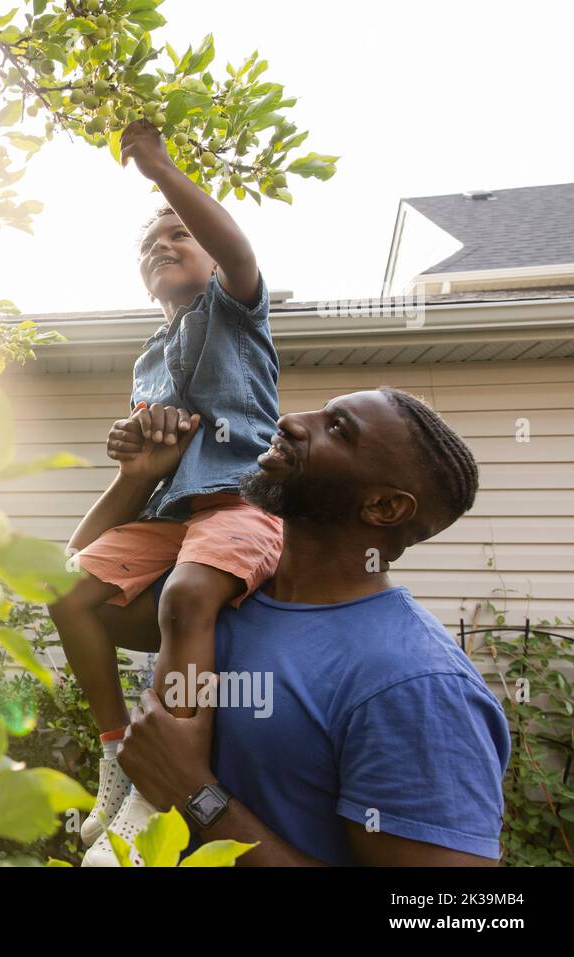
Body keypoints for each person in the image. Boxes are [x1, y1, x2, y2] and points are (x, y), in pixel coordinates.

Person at [105, 388, 511, 866]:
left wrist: (195, 793)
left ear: (383, 507)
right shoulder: (221, 596)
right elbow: (72, 596)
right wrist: (136, 479)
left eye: (337, 428)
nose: (291, 419)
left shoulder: (416, 683)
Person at [48, 117, 283, 860]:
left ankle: (159, 789)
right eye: (150, 242)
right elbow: (150, 448)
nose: (161, 243)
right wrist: (132, 447)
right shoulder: (149, 356)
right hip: (170, 516)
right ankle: (119, 750)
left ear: (212, 259)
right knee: (66, 590)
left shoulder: (233, 311)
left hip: (240, 504)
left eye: (180, 234)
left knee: (186, 596)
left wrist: (160, 171)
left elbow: (240, 251)